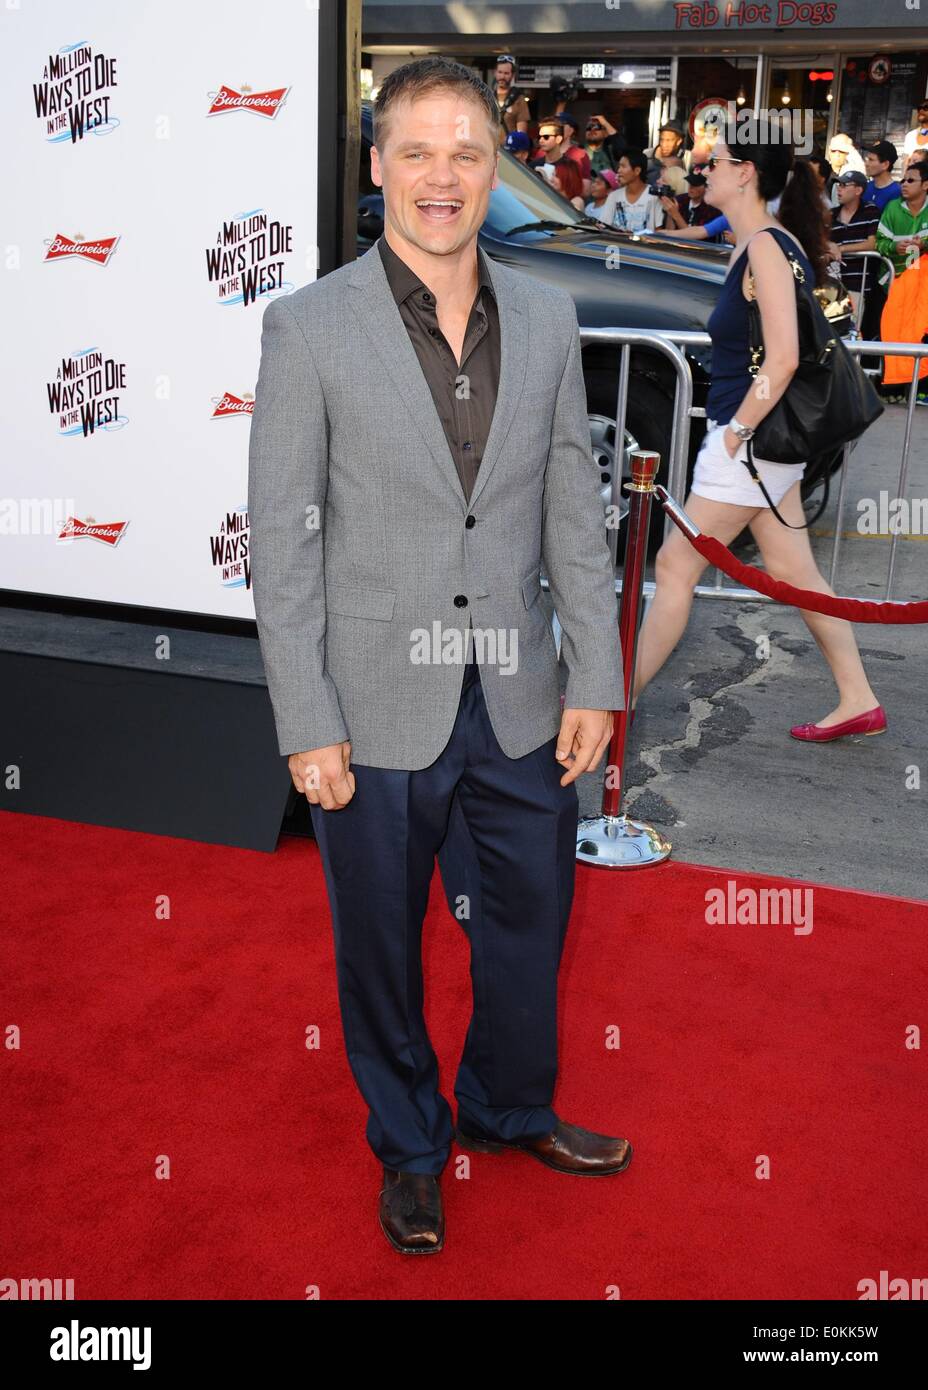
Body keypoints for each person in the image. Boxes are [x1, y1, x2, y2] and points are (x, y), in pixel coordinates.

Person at [248, 56, 632, 1258]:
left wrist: (597, 677)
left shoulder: (551, 316)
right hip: (371, 703)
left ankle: (510, 1105)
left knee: (531, 912)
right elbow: (282, 538)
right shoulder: (308, 326)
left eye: (467, 151)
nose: (443, 176)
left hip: (518, 691)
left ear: (494, 165)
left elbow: (573, 503)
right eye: (416, 150)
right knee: (380, 936)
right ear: (377, 167)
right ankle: (411, 1146)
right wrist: (305, 716)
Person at [634, 134, 885, 743]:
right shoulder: (761, 243)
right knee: (796, 574)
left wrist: (737, 432)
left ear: (745, 173)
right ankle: (858, 698)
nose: (703, 172)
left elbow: (784, 358)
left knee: (673, 566)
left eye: (714, 164)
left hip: (748, 443)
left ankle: (615, 700)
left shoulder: (767, 249)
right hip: (760, 446)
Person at [875, 160, 928, 401]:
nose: (903, 185)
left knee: (920, 335)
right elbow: (878, 243)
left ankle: (920, 390)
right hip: (894, 284)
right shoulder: (892, 208)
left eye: (910, 180)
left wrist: (924, 245)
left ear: (925, 185)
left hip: (923, 289)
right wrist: (894, 246)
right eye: (902, 180)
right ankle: (893, 388)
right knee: (893, 333)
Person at [827, 170, 880, 329]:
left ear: (858, 190)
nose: (839, 189)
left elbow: (872, 244)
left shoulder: (871, 210)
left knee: (851, 332)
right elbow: (821, 242)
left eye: (844, 185)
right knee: (830, 332)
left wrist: (840, 249)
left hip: (858, 285)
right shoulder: (831, 214)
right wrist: (829, 246)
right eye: (838, 185)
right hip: (832, 285)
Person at [600, 149, 664, 233]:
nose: (619, 170)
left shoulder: (654, 196)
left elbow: (658, 231)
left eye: (623, 166)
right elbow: (603, 228)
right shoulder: (614, 196)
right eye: (619, 166)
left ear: (637, 171)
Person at [493, 53, 530, 141]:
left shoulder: (519, 98)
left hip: (509, 150)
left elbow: (521, 133)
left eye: (506, 73)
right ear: (495, 73)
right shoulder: (488, 96)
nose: (502, 76)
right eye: (500, 72)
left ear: (512, 75)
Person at [862, 140, 902, 213]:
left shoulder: (896, 193)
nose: (866, 164)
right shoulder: (866, 187)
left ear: (885, 164)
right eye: (867, 159)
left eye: (871, 160)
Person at [902, 98, 928, 167]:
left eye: (926, 108)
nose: (921, 110)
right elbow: (905, 163)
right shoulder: (910, 135)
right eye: (919, 108)